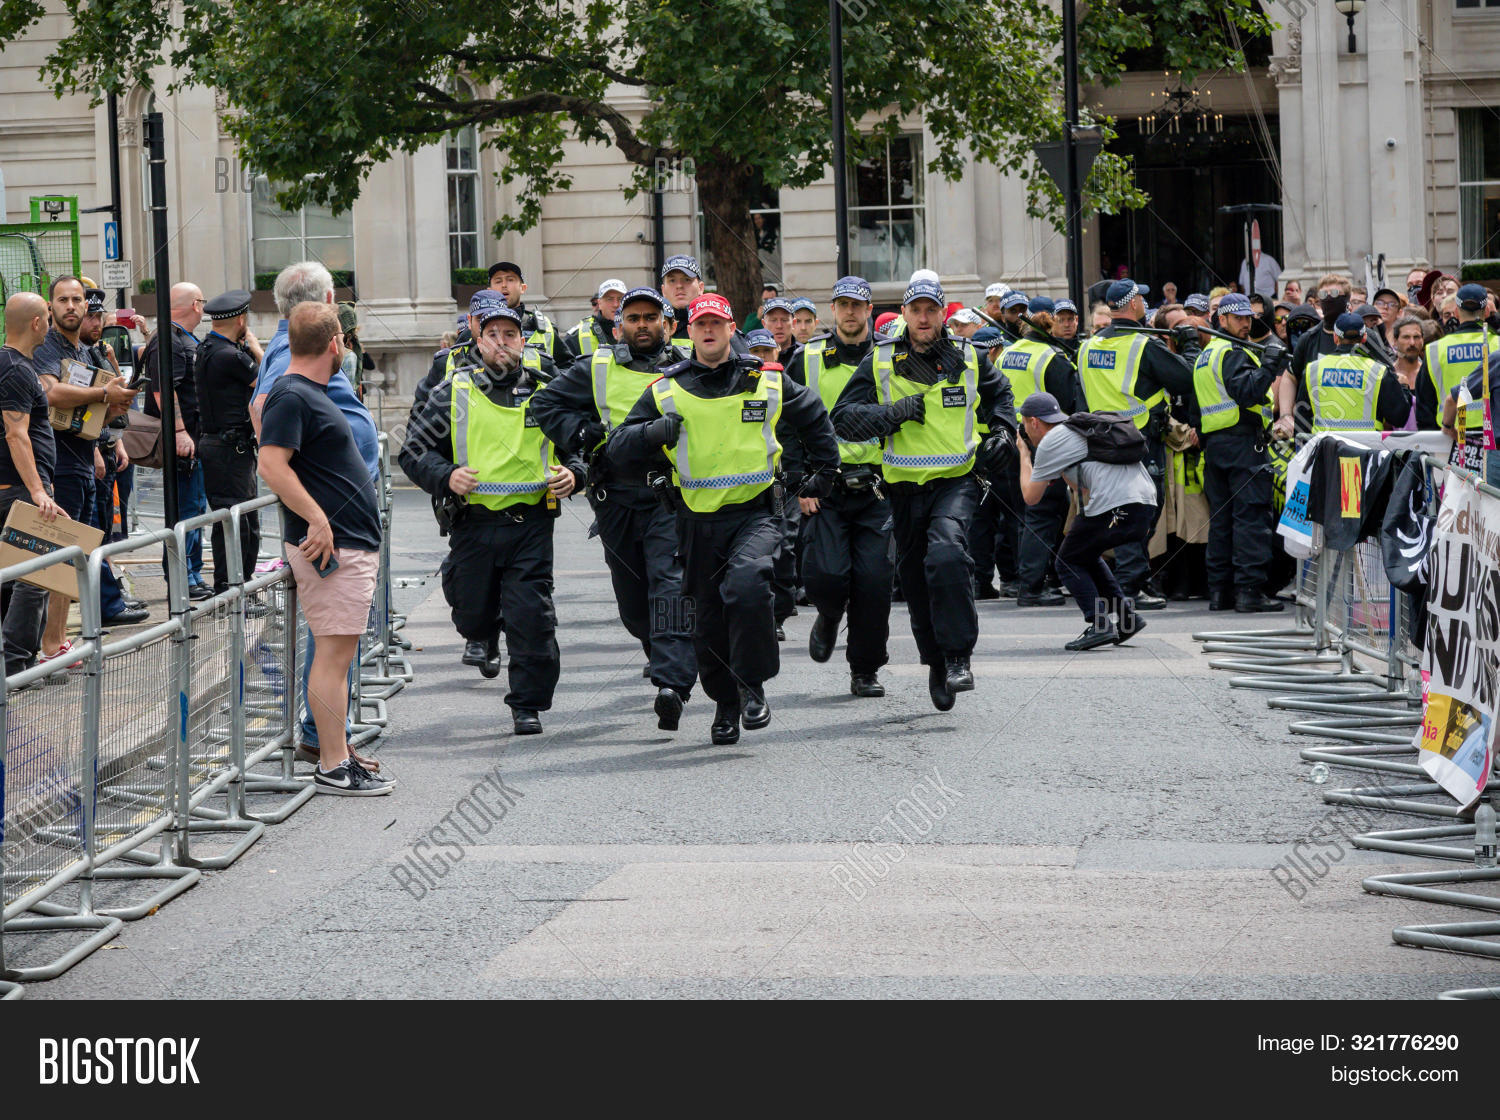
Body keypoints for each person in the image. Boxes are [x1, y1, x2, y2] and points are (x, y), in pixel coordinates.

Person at [610, 293, 839, 745]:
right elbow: (619, 448)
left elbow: (813, 415)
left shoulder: (765, 380)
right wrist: (653, 436)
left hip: (754, 513)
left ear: (732, 329)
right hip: (695, 522)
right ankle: (724, 701)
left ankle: (752, 687)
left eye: (718, 323)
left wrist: (825, 471)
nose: (710, 331)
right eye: (701, 325)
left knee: (749, 585)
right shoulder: (665, 388)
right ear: (688, 332)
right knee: (707, 618)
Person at [831, 277, 1016, 711]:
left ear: (942, 315)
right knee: (914, 581)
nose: (924, 318)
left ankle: (958, 657)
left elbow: (1001, 395)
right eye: (916, 311)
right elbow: (842, 419)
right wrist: (891, 414)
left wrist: (1005, 431)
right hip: (900, 488)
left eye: (932, 310)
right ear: (906, 316)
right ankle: (936, 662)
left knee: (947, 555)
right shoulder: (880, 361)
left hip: (957, 481)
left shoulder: (969, 357)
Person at [401, 301, 582, 735]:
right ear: (478, 342)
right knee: (474, 617)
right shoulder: (455, 392)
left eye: (511, 335)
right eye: (493, 335)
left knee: (532, 618)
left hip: (532, 525)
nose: (502, 343)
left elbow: (581, 443)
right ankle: (477, 619)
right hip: (474, 525)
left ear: (523, 341)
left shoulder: (547, 391)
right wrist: (447, 476)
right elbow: (412, 451)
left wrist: (575, 473)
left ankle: (527, 705)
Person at [529, 286, 697, 729]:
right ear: (618, 325)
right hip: (615, 497)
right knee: (634, 603)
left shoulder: (689, 364)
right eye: (634, 318)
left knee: (670, 584)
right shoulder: (597, 364)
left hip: (672, 495)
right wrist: (586, 435)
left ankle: (672, 684)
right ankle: (661, 650)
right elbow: (545, 404)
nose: (643, 325)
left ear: (669, 324)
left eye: (651, 317)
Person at [257, 304, 392, 795]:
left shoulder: (304, 392)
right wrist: (317, 518)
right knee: (333, 657)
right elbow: (271, 465)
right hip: (331, 548)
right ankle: (332, 764)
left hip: (347, 543)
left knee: (339, 653)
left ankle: (340, 751)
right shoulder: (292, 394)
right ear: (336, 343)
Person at [782, 276, 891, 697]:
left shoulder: (890, 356)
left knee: (875, 583)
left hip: (880, 487)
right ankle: (829, 614)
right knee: (826, 576)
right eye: (842, 305)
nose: (850, 312)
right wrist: (799, 482)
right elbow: (786, 422)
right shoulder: (808, 357)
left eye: (857, 305)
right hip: (825, 486)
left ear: (868, 310)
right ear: (833, 310)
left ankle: (865, 669)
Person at [33, 278, 140, 663]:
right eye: (63, 300)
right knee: (56, 556)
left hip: (81, 461)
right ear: (51, 306)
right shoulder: (48, 345)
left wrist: (116, 408)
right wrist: (103, 396)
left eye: (77, 299)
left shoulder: (86, 349)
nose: (72, 306)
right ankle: (48, 645)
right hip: (56, 464)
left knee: (74, 554)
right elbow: (51, 394)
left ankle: (58, 641)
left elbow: (100, 406)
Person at [1075, 278, 1198, 609]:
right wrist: (1189, 345)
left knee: (1127, 507)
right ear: (1132, 305)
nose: (1145, 303)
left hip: (1101, 440)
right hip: (1139, 438)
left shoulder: (1089, 346)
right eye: (1141, 299)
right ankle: (1130, 583)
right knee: (1138, 508)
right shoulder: (1143, 345)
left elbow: (1079, 397)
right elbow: (1185, 378)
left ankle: (1134, 579)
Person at [1017, 393, 1155, 650]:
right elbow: (1081, 489)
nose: (1024, 431)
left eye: (1023, 424)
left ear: (1033, 422)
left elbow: (1030, 497)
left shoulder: (1050, 442)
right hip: (1144, 503)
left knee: (1066, 560)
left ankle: (1100, 624)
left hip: (1117, 505)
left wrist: (1025, 455)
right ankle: (1127, 619)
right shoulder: (1076, 430)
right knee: (1084, 554)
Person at [1191, 293, 1287, 613]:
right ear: (1223, 320)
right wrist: (1271, 362)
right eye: (1238, 318)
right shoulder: (1232, 352)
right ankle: (1249, 591)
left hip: (1217, 447)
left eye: (1248, 318)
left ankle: (1220, 592)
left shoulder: (1207, 355)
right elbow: (1247, 392)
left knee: (1222, 521)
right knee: (1251, 517)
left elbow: (1197, 409)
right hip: (1243, 444)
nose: (1246, 323)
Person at [992, 297, 1077, 606]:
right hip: (1042, 443)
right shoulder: (1051, 358)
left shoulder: (1007, 354)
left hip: (1011, 441)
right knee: (1042, 514)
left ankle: (1023, 580)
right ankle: (1033, 586)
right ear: (1050, 322)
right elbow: (1069, 405)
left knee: (1020, 514)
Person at [0, 292, 63, 676]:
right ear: (38, 323)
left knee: (13, 578)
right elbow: (16, 433)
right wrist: (39, 491)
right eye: (49, 318)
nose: (51, 325)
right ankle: (17, 667)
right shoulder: (17, 370)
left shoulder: (11, 365)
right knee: (35, 577)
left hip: (15, 489)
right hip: (21, 492)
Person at [136, 281, 211, 597]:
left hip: (194, 440)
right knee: (185, 510)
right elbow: (164, 389)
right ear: (196, 304)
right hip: (184, 442)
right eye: (202, 302)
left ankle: (191, 573)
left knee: (194, 507)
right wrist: (180, 432)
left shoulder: (179, 338)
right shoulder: (169, 340)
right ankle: (183, 578)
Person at [194, 289, 265, 596]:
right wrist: (255, 347)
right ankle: (234, 588)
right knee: (239, 524)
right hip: (230, 450)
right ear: (240, 319)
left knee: (235, 521)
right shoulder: (231, 356)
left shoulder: (207, 348)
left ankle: (235, 585)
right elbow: (269, 379)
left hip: (221, 446)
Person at [1298, 313, 1412, 433]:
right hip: (1365, 449)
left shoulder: (1313, 369)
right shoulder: (1378, 371)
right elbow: (1400, 418)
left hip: (1323, 448)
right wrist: (1403, 387)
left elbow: (1301, 419)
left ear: (1335, 337)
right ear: (1364, 338)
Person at [1418, 283, 1491, 430]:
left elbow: (1425, 403)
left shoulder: (1435, 349)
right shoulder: (1496, 344)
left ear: (1456, 313)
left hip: (1449, 433)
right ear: (1487, 311)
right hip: (1492, 435)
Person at [487, 260, 568, 364]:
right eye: (498, 281)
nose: (504, 285)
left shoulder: (545, 327)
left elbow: (566, 366)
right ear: (489, 291)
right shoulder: (476, 327)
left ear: (523, 288)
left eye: (510, 280)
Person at [562, 278, 625, 361]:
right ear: (599, 303)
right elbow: (564, 367)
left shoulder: (638, 330)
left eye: (620, 299)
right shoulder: (578, 335)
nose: (616, 304)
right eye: (610, 299)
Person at [659, 255, 705, 350]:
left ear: (700, 288)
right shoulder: (652, 326)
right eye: (672, 280)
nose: (679, 286)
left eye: (687, 279)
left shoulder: (716, 324)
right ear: (663, 290)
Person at [1390, 315, 1426, 430]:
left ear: (1423, 340)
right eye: (1406, 337)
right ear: (1395, 341)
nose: (1412, 343)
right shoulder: (1387, 375)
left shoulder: (1430, 374)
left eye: (1416, 337)